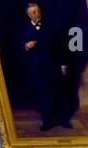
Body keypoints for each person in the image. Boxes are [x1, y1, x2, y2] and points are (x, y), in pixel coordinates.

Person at [22, 2, 71, 131]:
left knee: (59, 92)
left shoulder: (50, 27)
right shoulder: (26, 29)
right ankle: (47, 121)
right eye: (33, 12)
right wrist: (27, 46)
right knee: (43, 94)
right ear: (28, 15)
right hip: (38, 69)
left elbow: (60, 47)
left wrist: (63, 64)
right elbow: (19, 46)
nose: (37, 14)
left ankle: (62, 120)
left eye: (38, 11)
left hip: (53, 66)